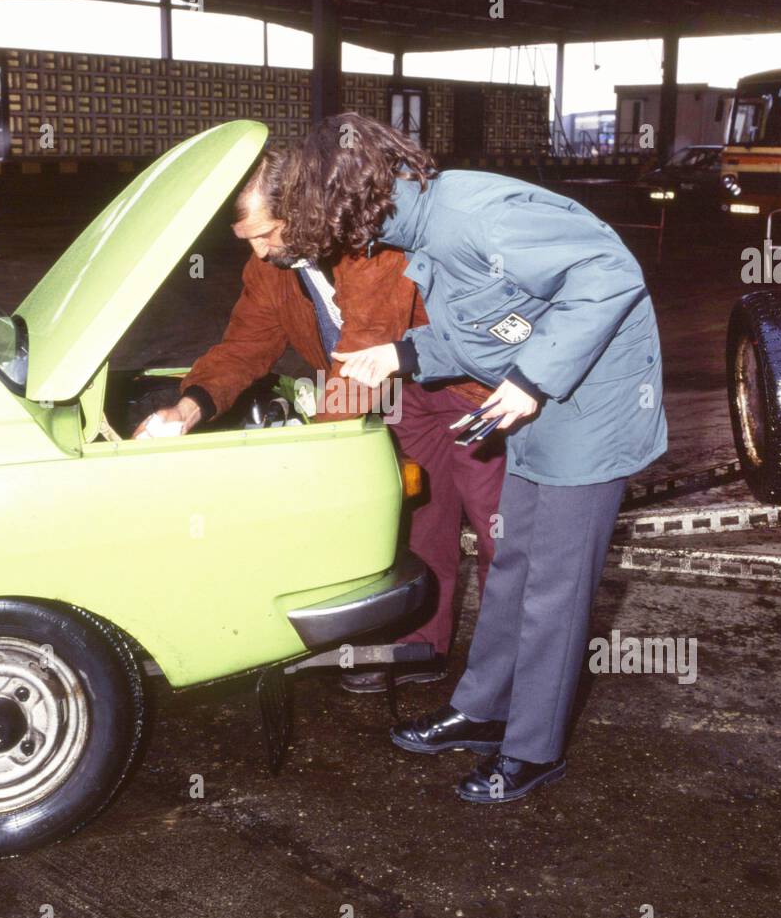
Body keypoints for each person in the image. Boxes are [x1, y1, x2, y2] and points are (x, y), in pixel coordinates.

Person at [281, 113, 667, 803]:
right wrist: (403, 354)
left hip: (590, 404)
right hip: (537, 399)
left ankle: (534, 748)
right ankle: (484, 709)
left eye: (330, 220)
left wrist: (530, 381)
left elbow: (610, 273)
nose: (339, 241)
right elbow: (495, 324)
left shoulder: (478, 218)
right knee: (514, 558)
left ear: (352, 197)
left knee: (556, 584)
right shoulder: (427, 228)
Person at [133, 148, 505, 694]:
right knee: (420, 522)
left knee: (502, 534)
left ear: (304, 211)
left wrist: (321, 449)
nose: (259, 251)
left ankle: (505, 682)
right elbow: (245, 346)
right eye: (248, 240)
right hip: (402, 392)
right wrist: (189, 408)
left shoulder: (368, 243)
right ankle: (419, 646)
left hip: (471, 385)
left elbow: (365, 346)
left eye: (266, 233)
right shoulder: (270, 265)